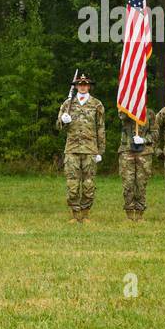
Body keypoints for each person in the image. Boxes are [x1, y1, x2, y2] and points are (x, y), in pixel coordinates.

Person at [57, 72, 105, 223]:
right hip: (72, 149)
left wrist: (100, 151)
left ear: (89, 86)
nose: (83, 87)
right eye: (80, 84)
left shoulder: (97, 104)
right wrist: (64, 120)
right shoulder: (68, 104)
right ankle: (74, 214)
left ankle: (85, 214)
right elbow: (58, 126)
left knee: (88, 183)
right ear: (76, 86)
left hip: (90, 149)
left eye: (85, 85)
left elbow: (101, 128)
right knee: (72, 183)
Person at [117, 104, 158, 221]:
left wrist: (144, 139)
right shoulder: (125, 110)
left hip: (144, 153)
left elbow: (155, 133)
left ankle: (139, 214)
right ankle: (129, 214)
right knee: (128, 183)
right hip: (127, 151)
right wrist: (130, 106)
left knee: (141, 184)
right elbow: (122, 117)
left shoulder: (150, 113)